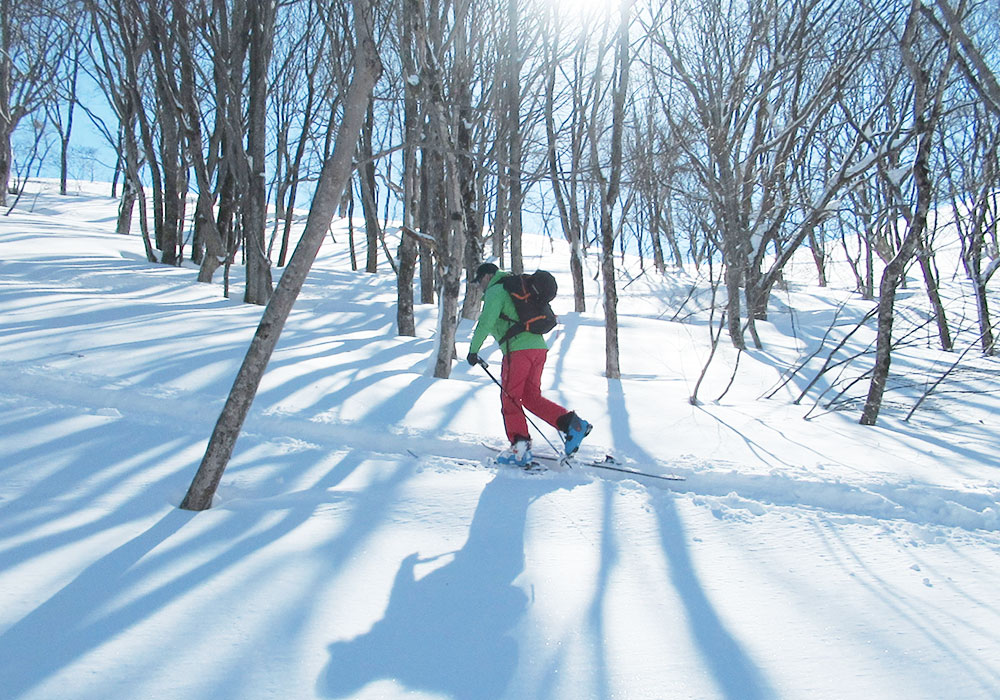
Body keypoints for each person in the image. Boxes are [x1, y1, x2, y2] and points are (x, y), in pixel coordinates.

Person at [466, 262, 592, 467]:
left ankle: (520, 448)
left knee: (510, 397)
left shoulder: (497, 290)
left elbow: (486, 321)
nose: (479, 286)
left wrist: (473, 350)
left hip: (518, 352)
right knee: (531, 397)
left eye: (479, 281)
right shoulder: (515, 286)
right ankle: (574, 425)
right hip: (538, 349)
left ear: (488, 276)